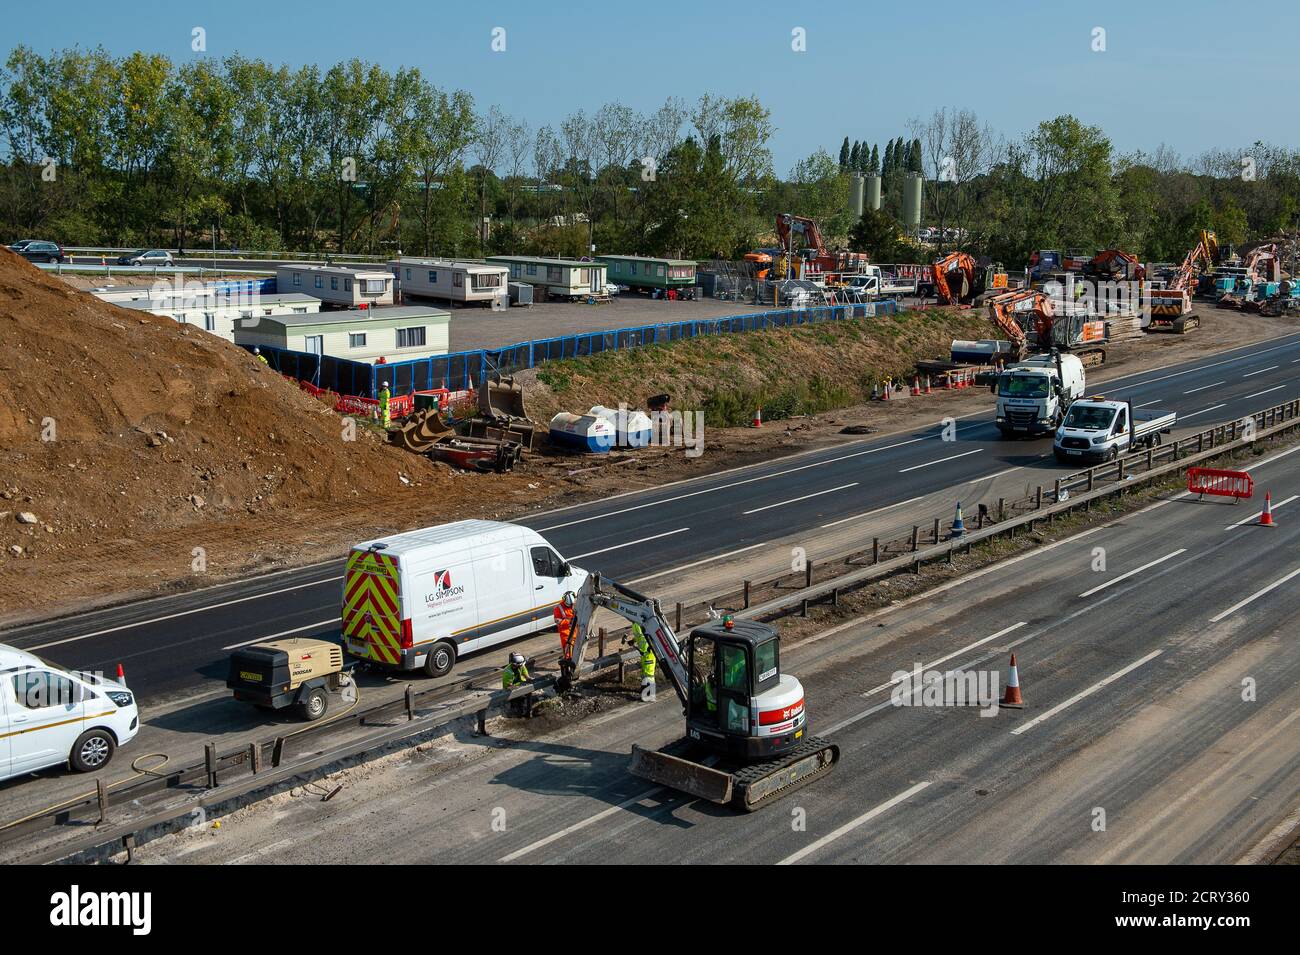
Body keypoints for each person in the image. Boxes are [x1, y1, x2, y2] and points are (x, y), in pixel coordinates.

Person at [630, 623, 655, 699]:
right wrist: (633, 641)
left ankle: (649, 693)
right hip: (643, 653)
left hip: (649, 653)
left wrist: (650, 648)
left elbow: (650, 634)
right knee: (645, 672)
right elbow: (640, 636)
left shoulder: (641, 622)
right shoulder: (635, 624)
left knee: (649, 673)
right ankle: (644, 690)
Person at [502, 651, 531, 716]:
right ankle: (515, 711)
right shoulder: (508, 672)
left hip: (519, 684)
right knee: (516, 701)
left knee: (523, 700)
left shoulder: (521, 666)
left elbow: (524, 672)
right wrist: (520, 690)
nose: (522, 666)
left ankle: (523, 710)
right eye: (521, 665)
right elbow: (509, 686)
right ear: (516, 665)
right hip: (510, 689)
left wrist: (528, 678)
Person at [554, 592, 576, 659]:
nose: (570, 606)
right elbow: (558, 622)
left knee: (577, 647)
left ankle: (575, 658)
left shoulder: (574, 603)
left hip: (576, 630)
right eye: (569, 605)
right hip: (565, 632)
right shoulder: (558, 608)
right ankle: (568, 661)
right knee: (568, 649)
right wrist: (570, 621)